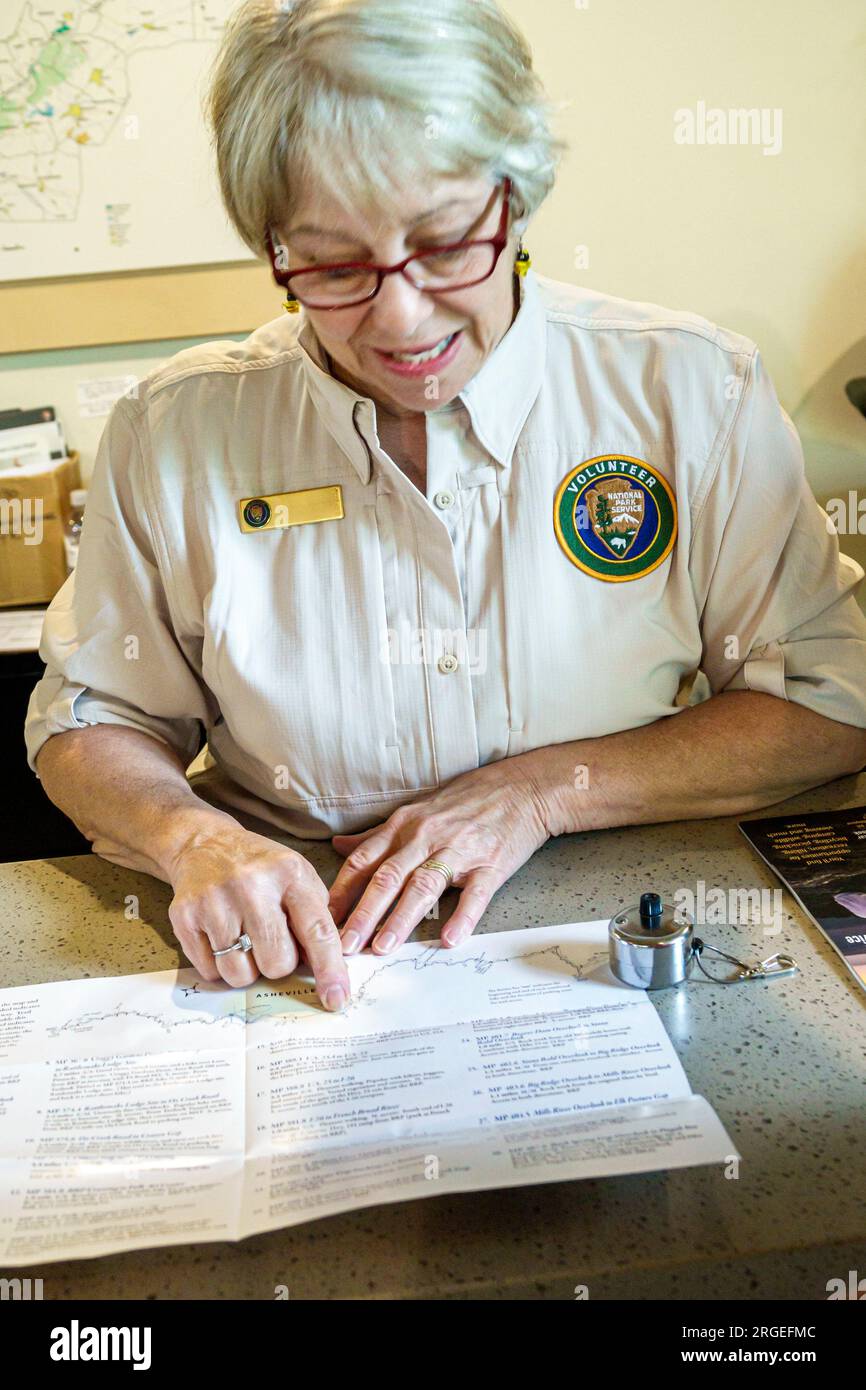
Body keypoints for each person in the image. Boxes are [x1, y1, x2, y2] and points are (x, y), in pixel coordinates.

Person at [25, 0, 866, 1014]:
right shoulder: (174, 428)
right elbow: (92, 718)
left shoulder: (690, 391)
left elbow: (826, 701)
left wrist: (542, 789)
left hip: (605, 932)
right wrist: (190, 835)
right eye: (334, 267)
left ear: (515, 197)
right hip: (297, 953)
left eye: (442, 241)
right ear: (275, 249)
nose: (401, 317)